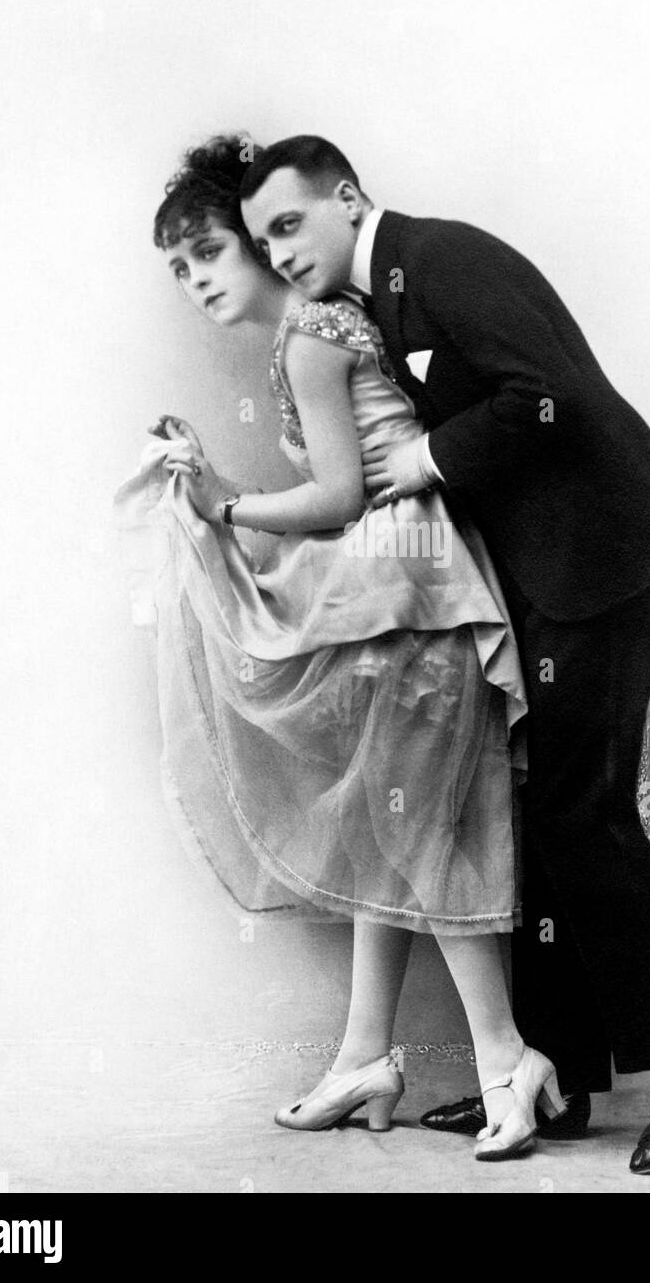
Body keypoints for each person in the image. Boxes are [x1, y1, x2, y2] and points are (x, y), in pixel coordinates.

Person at [240, 136, 650, 1175]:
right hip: (541, 576)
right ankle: (552, 1073)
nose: (279, 251)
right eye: (261, 238)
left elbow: (553, 392)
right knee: (534, 812)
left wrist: (428, 453)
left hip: (599, 562)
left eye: (290, 222)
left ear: (348, 198)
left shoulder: (441, 259)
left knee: (580, 810)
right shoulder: (372, 302)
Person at [112, 135, 567, 1162]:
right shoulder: (320, 329)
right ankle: (366, 1053)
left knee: (414, 833)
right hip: (392, 587)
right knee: (387, 822)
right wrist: (215, 487)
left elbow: (337, 497)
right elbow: (335, 493)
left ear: (257, 243)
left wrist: (225, 501)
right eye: (179, 270)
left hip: (408, 593)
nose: (195, 283)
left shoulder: (314, 335)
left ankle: (505, 1060)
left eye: (208, 255)